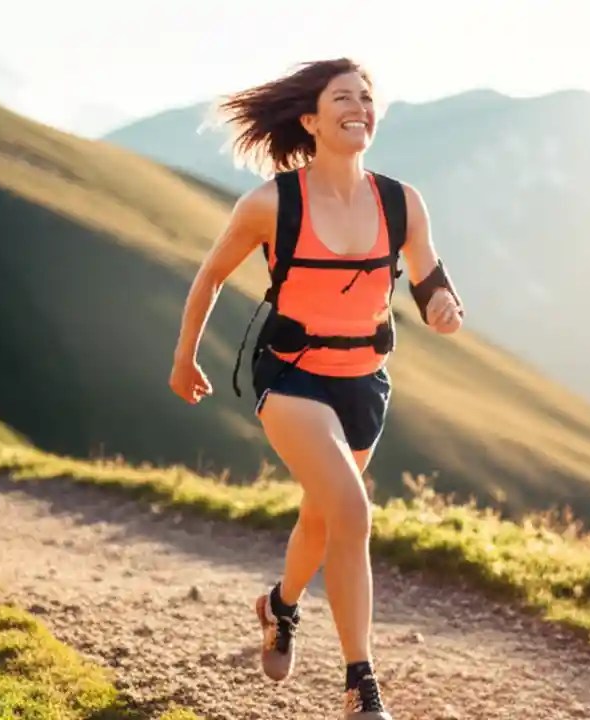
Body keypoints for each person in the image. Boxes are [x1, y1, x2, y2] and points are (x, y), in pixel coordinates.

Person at [168, 58, 464, 720]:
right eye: (343, 97)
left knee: (324, 514)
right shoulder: (273, 203)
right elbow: (211, 275)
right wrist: (185, 358)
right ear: (311, 119)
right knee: (353, 512)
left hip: (365, 382)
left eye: (367, 96)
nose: (359, 105)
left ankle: (279, 606)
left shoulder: (401, 201)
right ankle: (362, 686)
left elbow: (428, 277)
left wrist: (444, 305)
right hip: (293, 376)